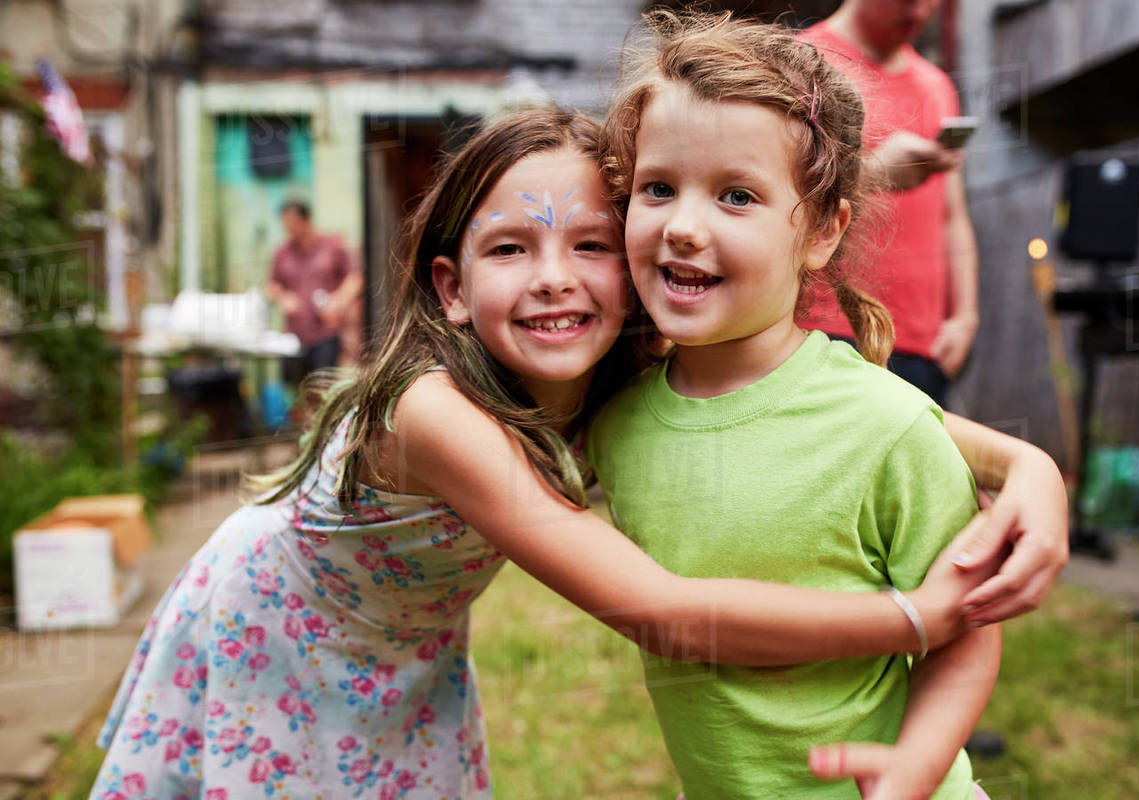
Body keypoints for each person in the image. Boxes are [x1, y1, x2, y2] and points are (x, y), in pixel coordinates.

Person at [91, 108, 1058, 800]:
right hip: (281, 638)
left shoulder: (616, 366)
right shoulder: (432, 412)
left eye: (591, 244)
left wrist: (1030, 470)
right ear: (453, 286)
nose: (556, 280)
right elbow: (661, 611)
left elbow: (853, 410)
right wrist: (911, 617)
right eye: (510, 249)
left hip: (407, 649)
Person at [591, 12, 1003, 798]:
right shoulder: (616, 418)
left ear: (820, 231)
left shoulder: (887, 426)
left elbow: (967, 626)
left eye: (736, 196)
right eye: (658, 188)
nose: (682, 226)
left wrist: (915, 768)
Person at [798, 0, 978, 407]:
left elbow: (952, 215)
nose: (918, 12)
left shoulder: (937, 85)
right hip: (822, 331)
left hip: (922, 345)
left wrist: (965, 316)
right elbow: (777, 195)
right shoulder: (800, 64)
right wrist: (875, 173)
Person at [265, 200, 364, 383]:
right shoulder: (282, 254)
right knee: (293, 390)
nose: (290, 231)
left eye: (294, 225)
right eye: (286, 226)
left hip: (325, 333)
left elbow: (354, 279)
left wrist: (339, 301)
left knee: (322, 388)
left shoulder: (331, 248)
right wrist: (283, 298)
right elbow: (272, 286)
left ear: (306, 221)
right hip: (294, 335)